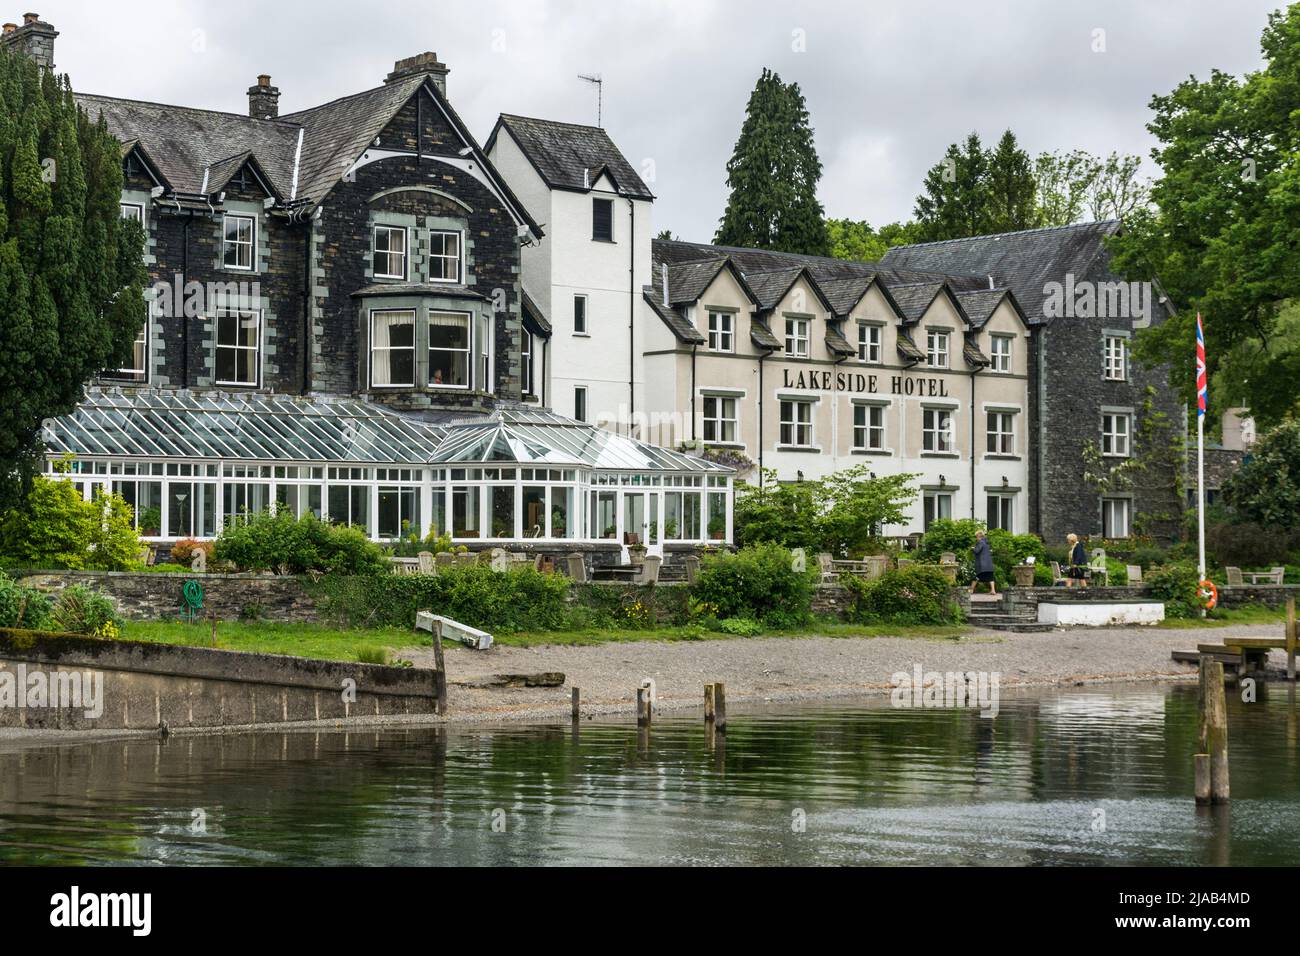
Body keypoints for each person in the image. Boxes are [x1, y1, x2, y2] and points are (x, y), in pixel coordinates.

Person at [971, 529, 996, 595]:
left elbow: (977, 551)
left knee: (976, 577)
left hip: (982, 564)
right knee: (990, 577)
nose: (976, 538)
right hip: (988, 564)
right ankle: (993, 590)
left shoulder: (981, 542)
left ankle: (971, 590)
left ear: (979, 536)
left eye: (976, 536)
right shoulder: (987, 542)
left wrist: (973, 549)